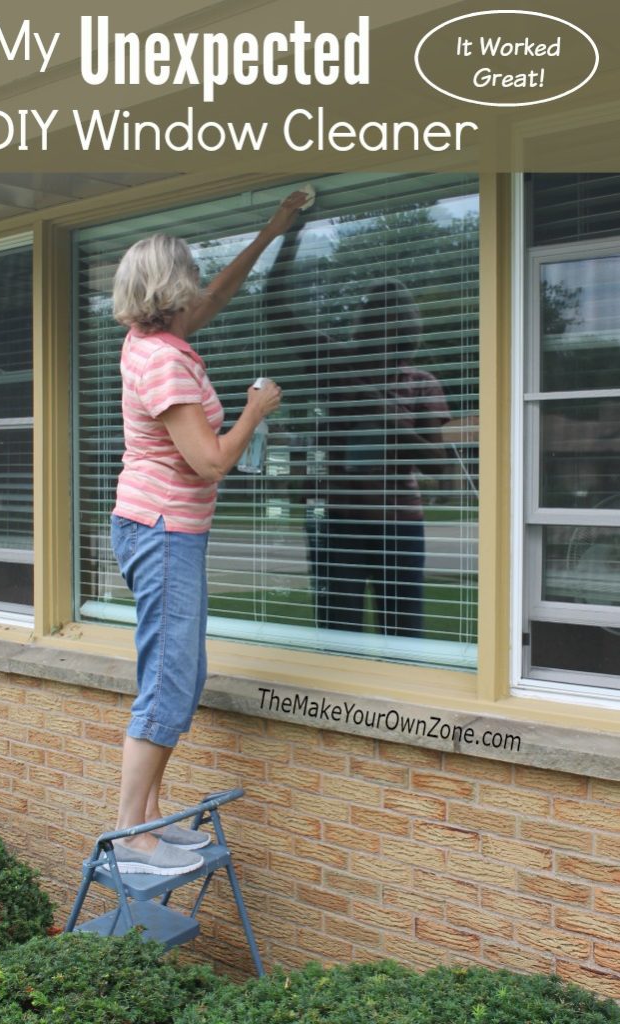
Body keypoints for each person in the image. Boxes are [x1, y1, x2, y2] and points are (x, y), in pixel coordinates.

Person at [108, 190, 306, 875]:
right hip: (162, 530)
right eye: (188, 274)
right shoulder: (164, 360)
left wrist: (274, 230)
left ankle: (152, 820)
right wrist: (255, 409)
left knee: (173, 673)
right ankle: (131, 830)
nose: (199, 283)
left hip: (158, 526)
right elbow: (211, 460)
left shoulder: (153, 339)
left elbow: (219, 293)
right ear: (170, 287)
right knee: (171, 679)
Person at [323, 279, 451, 636]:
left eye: (381, 316)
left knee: (403, 632)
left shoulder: (422, 383)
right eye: (368, 314)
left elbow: (436, 463)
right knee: (339, 632)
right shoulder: (338, 370)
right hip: (342, 522)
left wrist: (381, 410)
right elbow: (278, 312)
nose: (369, 322)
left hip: (400, 524)